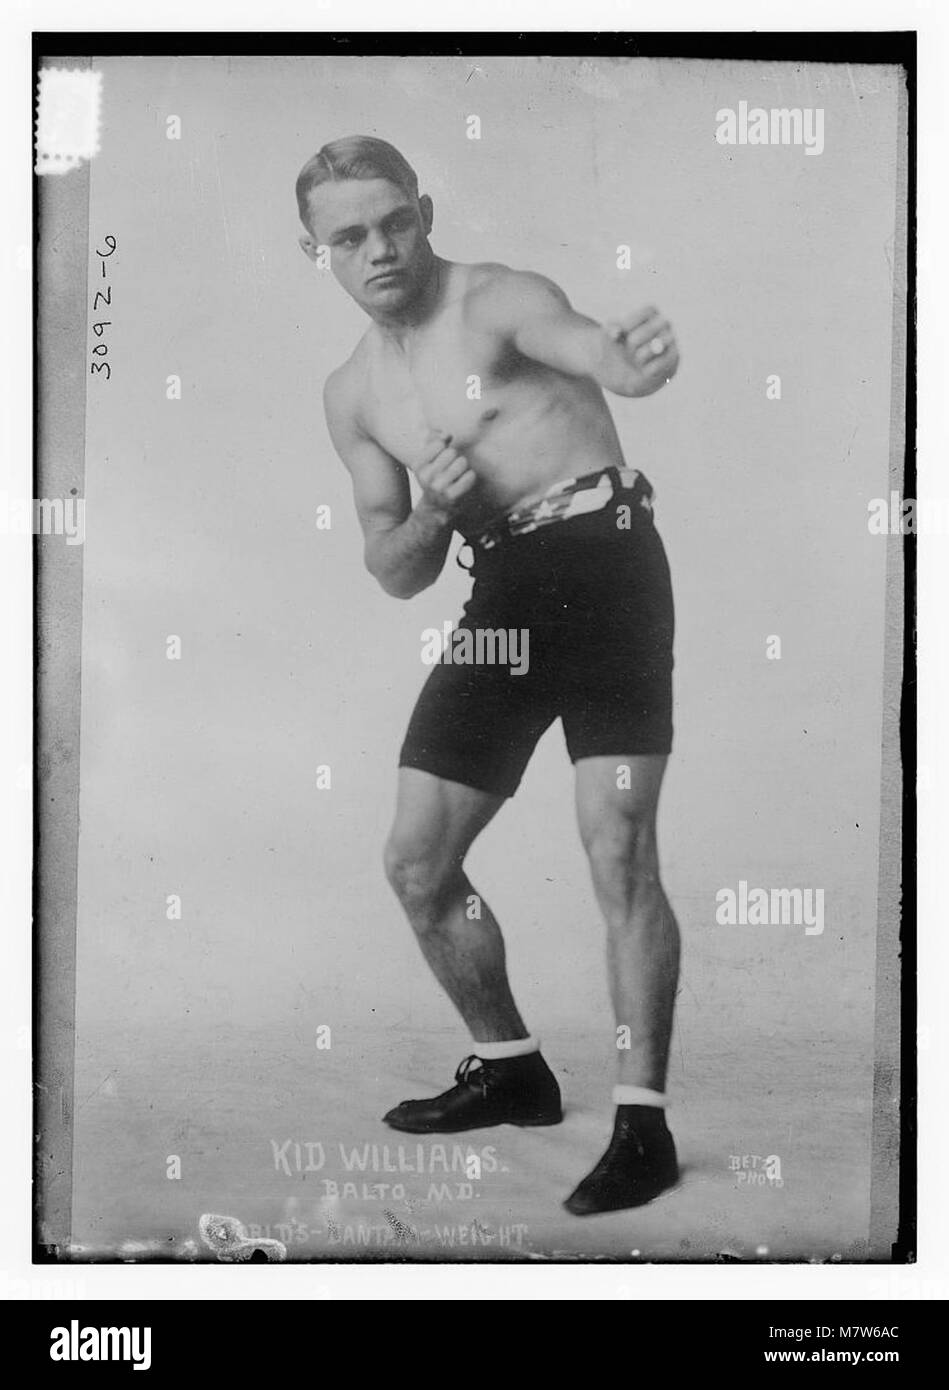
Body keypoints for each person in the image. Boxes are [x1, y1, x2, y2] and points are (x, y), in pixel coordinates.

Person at [300, 135, 681, 1214]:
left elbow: (586, 344)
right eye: (348, 236)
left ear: (422, 210)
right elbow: (391, 570)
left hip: (604, 562)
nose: (377, 249)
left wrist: (622, 360)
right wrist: (428, 515)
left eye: (393, 222)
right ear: (316, 250)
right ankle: (511, 1070)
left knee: (617, 848)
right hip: (502, 593)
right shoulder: (352, 393)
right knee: (418, 863)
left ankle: (642, 1124)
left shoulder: (498, 296)